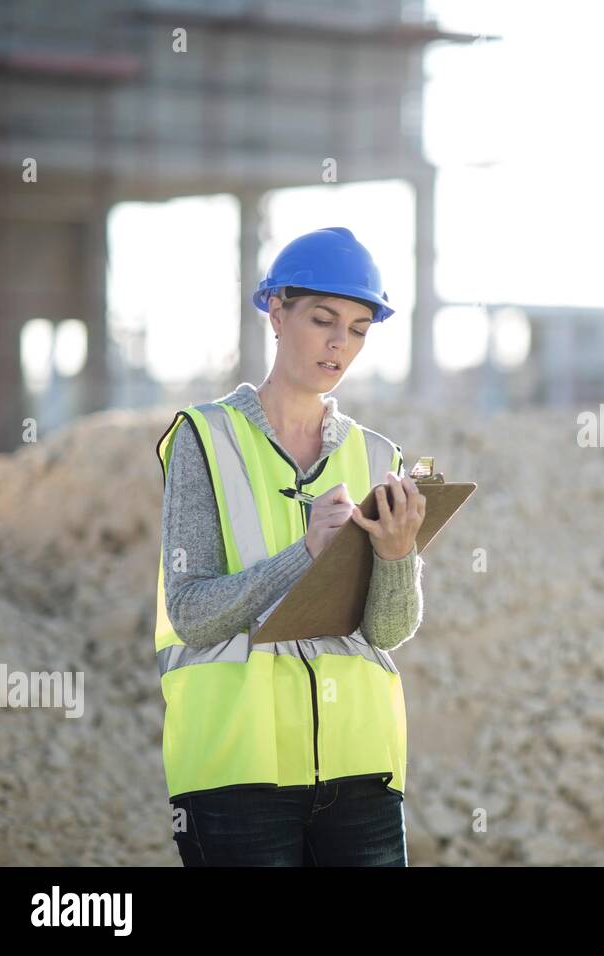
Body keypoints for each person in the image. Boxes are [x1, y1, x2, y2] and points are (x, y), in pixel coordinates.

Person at [153, 226, 427, 866]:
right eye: (323, 319)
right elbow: (192, 614)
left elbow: (388, 631)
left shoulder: (377, 454)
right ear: (277, 313)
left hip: (361, 768)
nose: (340, 343)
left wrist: (398, 554)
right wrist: (304, 553)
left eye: (359, 328)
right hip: (235, 772)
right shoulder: (205, 438)